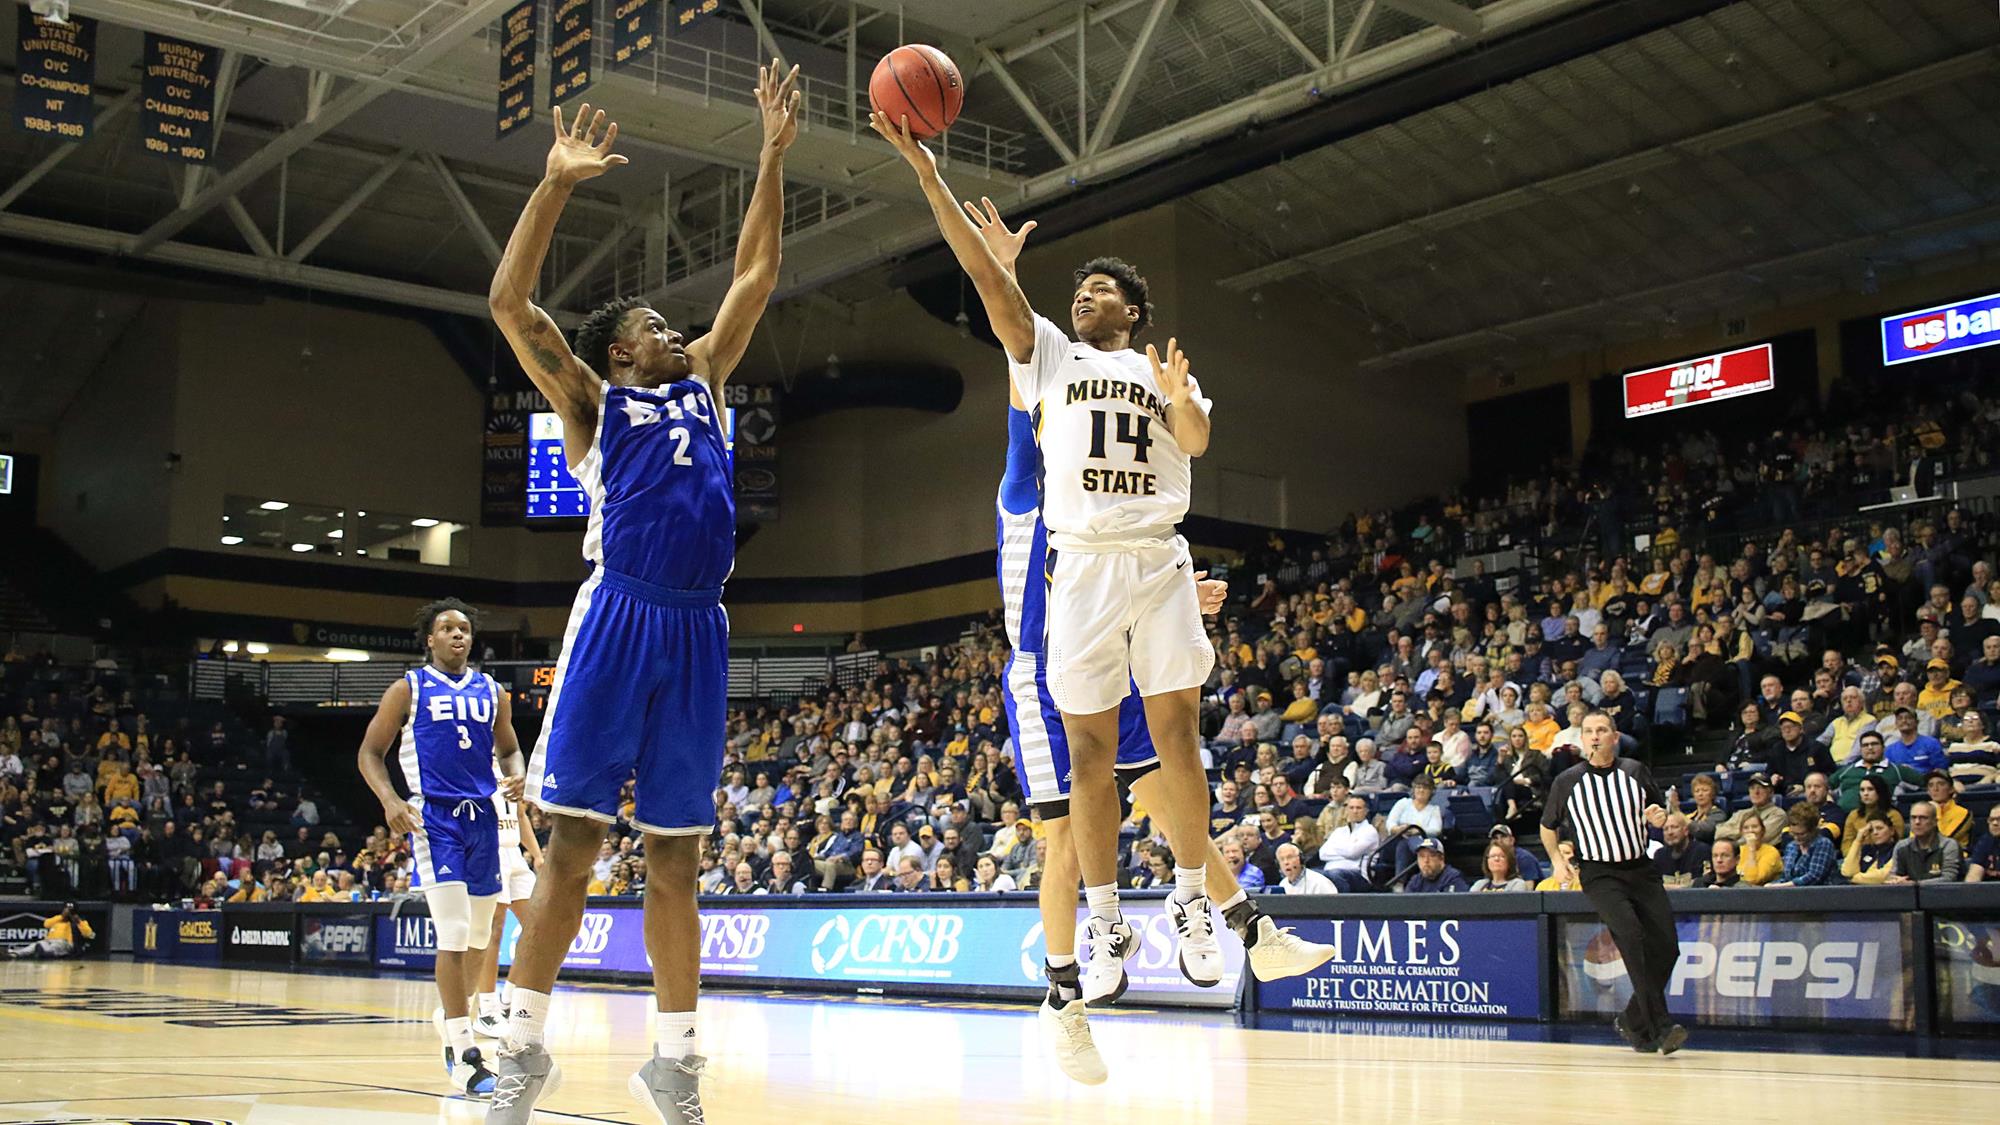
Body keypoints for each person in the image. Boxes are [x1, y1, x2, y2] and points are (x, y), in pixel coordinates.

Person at [945, 188, 1329, 1064]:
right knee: (1062, 834)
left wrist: (1177, 594)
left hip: (1120, 620)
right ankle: (1063, 992)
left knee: (1166, 788)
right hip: (1046, 668)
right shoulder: (1027, 486)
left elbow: (1148, 480)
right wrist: (1001, 272)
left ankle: (1240, 924)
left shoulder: (1118, 459)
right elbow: (1019, 339)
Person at [484, 78, 802, 1125]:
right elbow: (509, 307)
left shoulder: (706, 376)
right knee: (573, 847)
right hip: (618, 615)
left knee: (676, 856)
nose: (678, 331)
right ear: (623, 349)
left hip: (701, 624)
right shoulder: (593, 398)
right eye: (658, 326)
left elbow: (757, 271)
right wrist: (551, 189)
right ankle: (520, 1048)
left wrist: (770, 150)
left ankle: (674, 1064)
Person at [357, 599, 523, 1098]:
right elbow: (369, 752)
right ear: (429, 639)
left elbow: (510, 747)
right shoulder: (407, 688)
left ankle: (451, 1019)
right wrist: (390, 800)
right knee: (452, 934)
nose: (458, 635)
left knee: (478, 937)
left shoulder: (494, 693)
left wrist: (515, 777)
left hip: (486, 821)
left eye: (465, 629)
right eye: (447, 628)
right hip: (435, 821)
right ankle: (464, 1052)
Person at [1540, 709, 1686, 1055]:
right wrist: (1558, 862)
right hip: (1600, 873)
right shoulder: (1568, 781)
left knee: (1667, 947)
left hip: (1641, 869)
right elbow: (1548, 825)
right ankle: (1659, 1027)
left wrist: (1659, 816)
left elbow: (1657, 810)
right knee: (1632, 937)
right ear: (1582, 738)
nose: (1594, 736)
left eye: (1602, 730)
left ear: (1614, 737)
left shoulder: (1635, 771)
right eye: (1588, 731)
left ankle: (1633, 1020)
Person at [473, 762, 546, 1040]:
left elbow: (520, 814)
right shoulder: (472, 763)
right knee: (495, 930)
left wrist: (537, 854)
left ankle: (507, 1001)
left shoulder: (507, 764)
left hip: (514, 853)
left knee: (537, 929)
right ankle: (486, 1011)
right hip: (490, 850)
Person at [1888, 801, 1963, 883]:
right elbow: (1894, 876)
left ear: (1934, 822)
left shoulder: (1948, 845)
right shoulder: (1902, 846)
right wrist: (1895, 881)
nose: (1917, 822)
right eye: (1913, 817)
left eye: (1923, 818)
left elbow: (1949, 879)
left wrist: (1915, 885)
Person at [1771, 803, 1839, 886]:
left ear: (1813, 830)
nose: (1796, 838)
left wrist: (1784, 886)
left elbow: (1814, 876)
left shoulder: (1823, 844)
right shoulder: (1791, 846)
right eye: (1793, 833)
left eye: (1801, 834)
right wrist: (1772, 886)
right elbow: (1786, 877)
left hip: (1821, 894)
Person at [3, 902, 92, 959]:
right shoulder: (58, 919)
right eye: (66, 910)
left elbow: (89, 934)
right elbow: (46, 924)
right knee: (37, 944)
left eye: (70, 911)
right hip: (48, 941)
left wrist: (78, 922)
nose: (68, 913)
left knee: (55, 946)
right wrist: (62, 916)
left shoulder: (80, 922)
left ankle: (46, 953)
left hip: (65, 943)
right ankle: (14, 954)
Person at [1649, 814, 1705, 888]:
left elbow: (1703, 883)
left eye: (1674, 827)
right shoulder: (1659, 855)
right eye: (1666, 829)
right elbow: (1654, 885)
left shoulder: (1701, 851)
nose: (1670, 832)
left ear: (1686, 831)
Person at [1841, 816, 1901, 885]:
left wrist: (1852, 878)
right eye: (1871, 830)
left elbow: (1885, 876)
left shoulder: (1899, 849)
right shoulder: (1866, 849)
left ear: (1892, 831)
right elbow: (1848, 872)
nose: (1875, 833)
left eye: (1879, 828)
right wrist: (1858, 841)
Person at [1400, 837, 1468, 893]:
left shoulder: (1452, 877)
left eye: (1431, 856)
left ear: (1441, 858)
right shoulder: (1415, 881)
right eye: (1421, 856)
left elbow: (1453, 906)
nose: (1426, 860)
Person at [1736, 816, 1783, 885]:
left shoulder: (1771, 852)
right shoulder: (1738, 850)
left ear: (1762, 830)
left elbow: (1752, 880)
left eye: (1754, 827)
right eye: (1746, 828)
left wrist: (1752, 849)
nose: (1750, 830)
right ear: (1741, 832)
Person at [1966, 806, 2000, 882]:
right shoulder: (1985, 841)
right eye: (1991, 820)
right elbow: (1973, 876)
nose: (1994, 823)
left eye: (1999, 819)